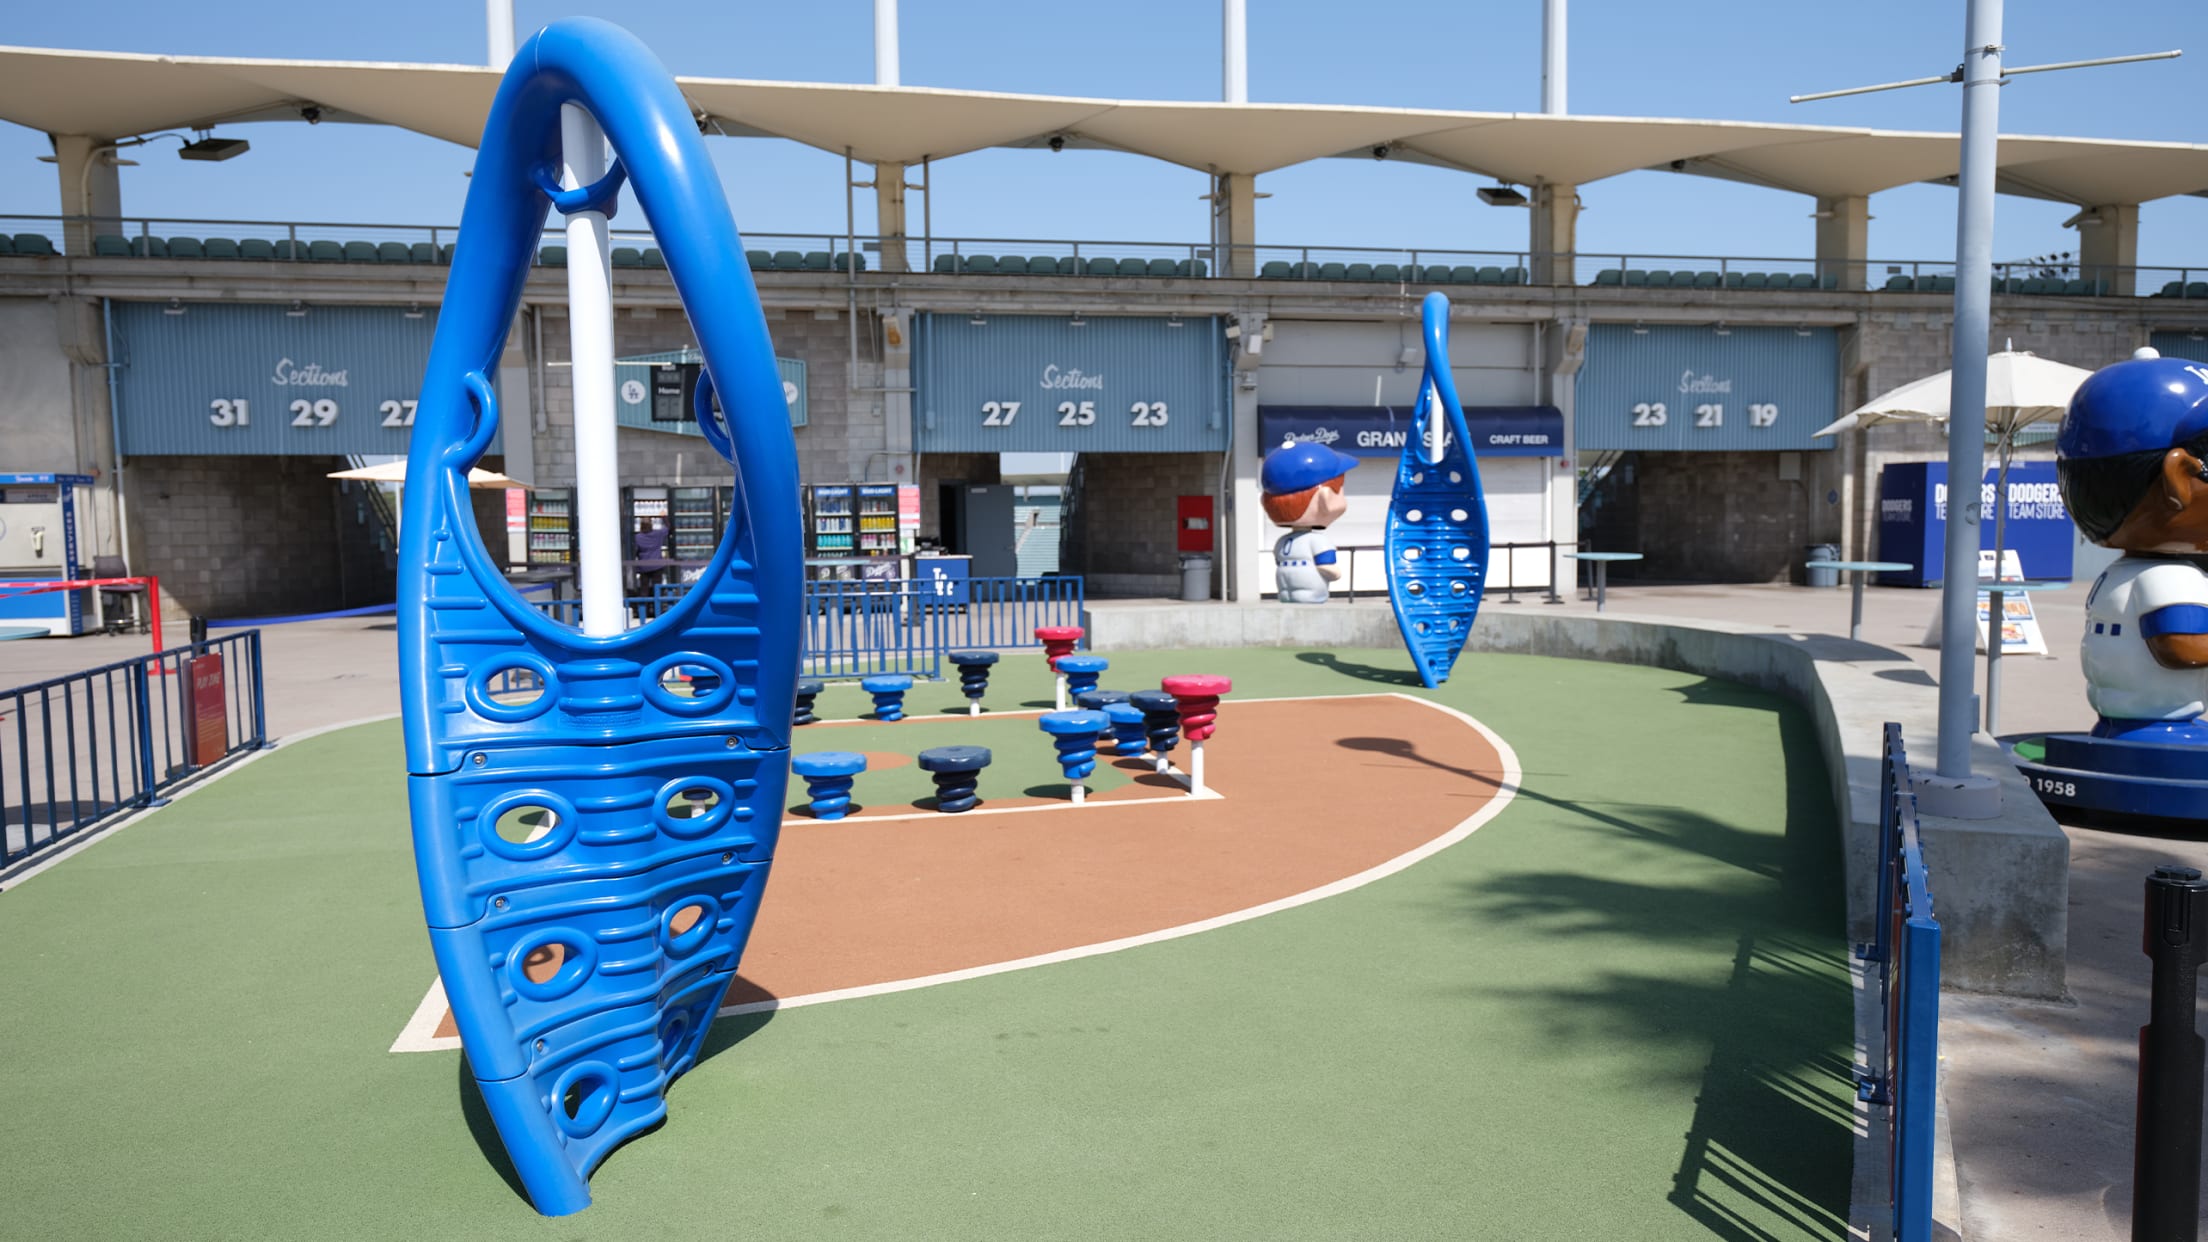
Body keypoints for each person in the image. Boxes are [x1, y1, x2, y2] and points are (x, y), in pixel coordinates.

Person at [2055, 349, 2208, 745]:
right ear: (2180, 478)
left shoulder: (2119, 573)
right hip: (2165, 734)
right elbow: (2183, 647)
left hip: (2117, 723)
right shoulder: (2172, 580)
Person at [1260, 437, 1361, 604]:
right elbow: (1326, 566)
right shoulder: (1318, 540)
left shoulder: (1283, 541)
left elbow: (1278, 560)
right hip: (1311, 588)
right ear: (1325, 497)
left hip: (1284, 586)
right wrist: (1335, 573)